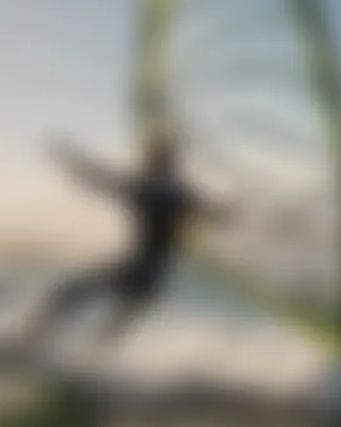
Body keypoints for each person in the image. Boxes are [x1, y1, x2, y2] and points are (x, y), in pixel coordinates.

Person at [23, 132, 236, 346]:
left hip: (137, 269)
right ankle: (89, 362)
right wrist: (227, 209)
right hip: (154, 277)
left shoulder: (151, 189)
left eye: (151, 159)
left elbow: (103, 180)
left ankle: (27, 341)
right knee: (114, 324)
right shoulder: (178, 193)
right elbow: (216, 216)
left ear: (157, 161)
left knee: (68, 295)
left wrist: (73, 161)